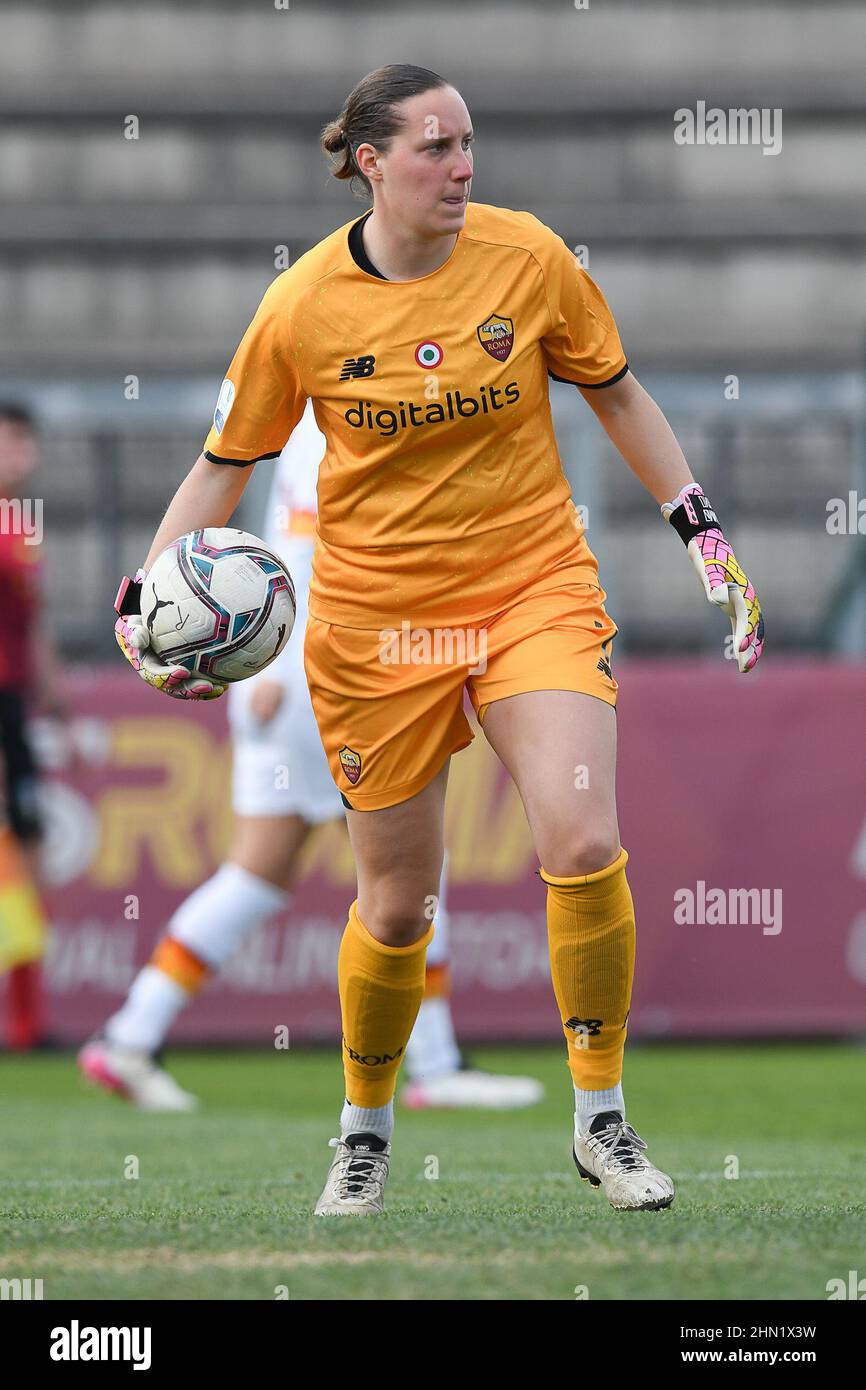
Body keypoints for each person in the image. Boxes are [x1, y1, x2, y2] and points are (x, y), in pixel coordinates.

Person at [113, 65, 764, 1215]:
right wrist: (144, 600)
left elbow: (615, 393)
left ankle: (601, 1120)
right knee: (398, 906)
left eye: (468, 144)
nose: (462, 168)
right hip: (374, 626)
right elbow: (226, 465)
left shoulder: (528, 257)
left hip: (529, 589)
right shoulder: (302, 304)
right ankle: (363, 1130)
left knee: (579, 837)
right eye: (433, 148)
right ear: (368, 161)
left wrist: (700, 533)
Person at [80, 400, 543, 1113]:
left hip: (281, 676)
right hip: (313, 674)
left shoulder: (306, 412)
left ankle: (131, 1037)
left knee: (258, 871)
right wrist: (277, 669)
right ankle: (436, 1064)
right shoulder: (343, 411)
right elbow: (304, 550)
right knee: (409, 864)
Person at [0, 403, 70, 1049]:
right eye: (11, 439)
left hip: (13, 706)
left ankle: (28, 1022)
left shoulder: (22, 524)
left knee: (27, 849)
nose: (22, 452)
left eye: (28, 440)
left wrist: (58, 707)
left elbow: (36, 623)